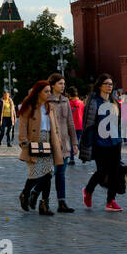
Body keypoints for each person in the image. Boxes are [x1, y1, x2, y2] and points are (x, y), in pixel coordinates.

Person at [16, 79, 62, 214]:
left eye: (50, 91)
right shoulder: (29, 106)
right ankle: (25, 194)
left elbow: (56, 128)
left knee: (48, 174)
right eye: (46, 91)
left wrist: (58, 142)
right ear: (38, 92)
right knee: (35, 174)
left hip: (48, 141)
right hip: (34, 142)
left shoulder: (50, 107)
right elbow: (23, 125)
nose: (49, 94)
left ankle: (44, 205)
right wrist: (24, 142)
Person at [80, 74, 124, 212]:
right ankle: (88, 190)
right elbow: (87, 124)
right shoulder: (93, 102)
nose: (110, 86)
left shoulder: (114, 101)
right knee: (102, 171)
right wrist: (87, 144)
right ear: (100, 85)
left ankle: (110, 201)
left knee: (115, 172)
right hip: (100, 142)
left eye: (111, 84)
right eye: (107, 83)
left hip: (115, 141)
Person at [44, 74, 77, 211]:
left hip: (65, 143)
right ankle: (37, 196)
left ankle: (61, 202)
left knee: (61, 174)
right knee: (50, 173)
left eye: (64, 84)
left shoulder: (65, 101)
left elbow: (70, 123)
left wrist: (74, 143)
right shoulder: (46, 101)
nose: (63, 86)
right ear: (52, 85)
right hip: (51, 143)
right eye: (60, 84)